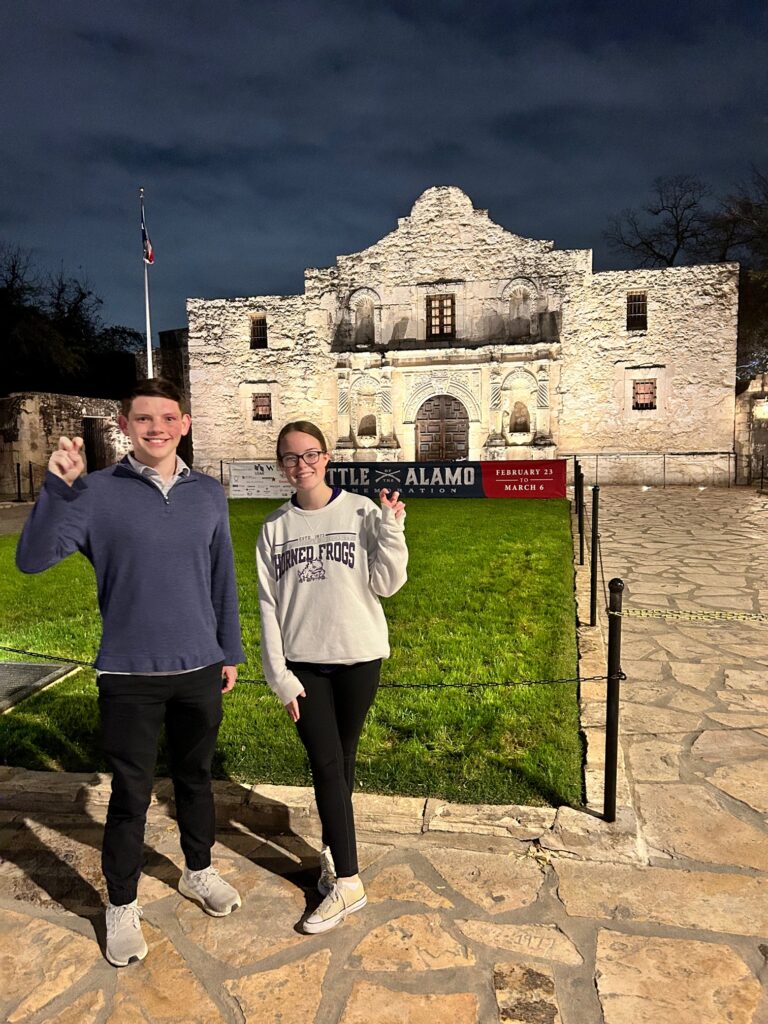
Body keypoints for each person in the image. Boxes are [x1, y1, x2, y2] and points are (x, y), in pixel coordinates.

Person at [16, 378, 245, 967]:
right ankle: (121, 903)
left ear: (185, 424)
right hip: (129, 672)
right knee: (130, 797)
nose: (157, 428)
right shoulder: (92, 492)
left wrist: (230, 651)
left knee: (195, 781)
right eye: (143, 419)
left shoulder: (209, 494)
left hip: (199, 666)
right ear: (125, 425)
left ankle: (198, 870)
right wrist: (57, 490)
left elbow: (223, 577)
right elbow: (33, 558)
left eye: (168, 418)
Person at [256, 420, 408, 934]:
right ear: (280, 465)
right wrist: (279, 676)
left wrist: (391, 530)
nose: (301, 465)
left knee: (341, 762)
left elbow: (388, 584)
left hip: (359, 656)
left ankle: (339, 866)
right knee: (326, 763)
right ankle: (348, 879)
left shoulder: (361, 511)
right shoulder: (274, 528)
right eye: (290, 457)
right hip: (304, 666)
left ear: (327, 457)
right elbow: (267, 607)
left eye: (310, 454)